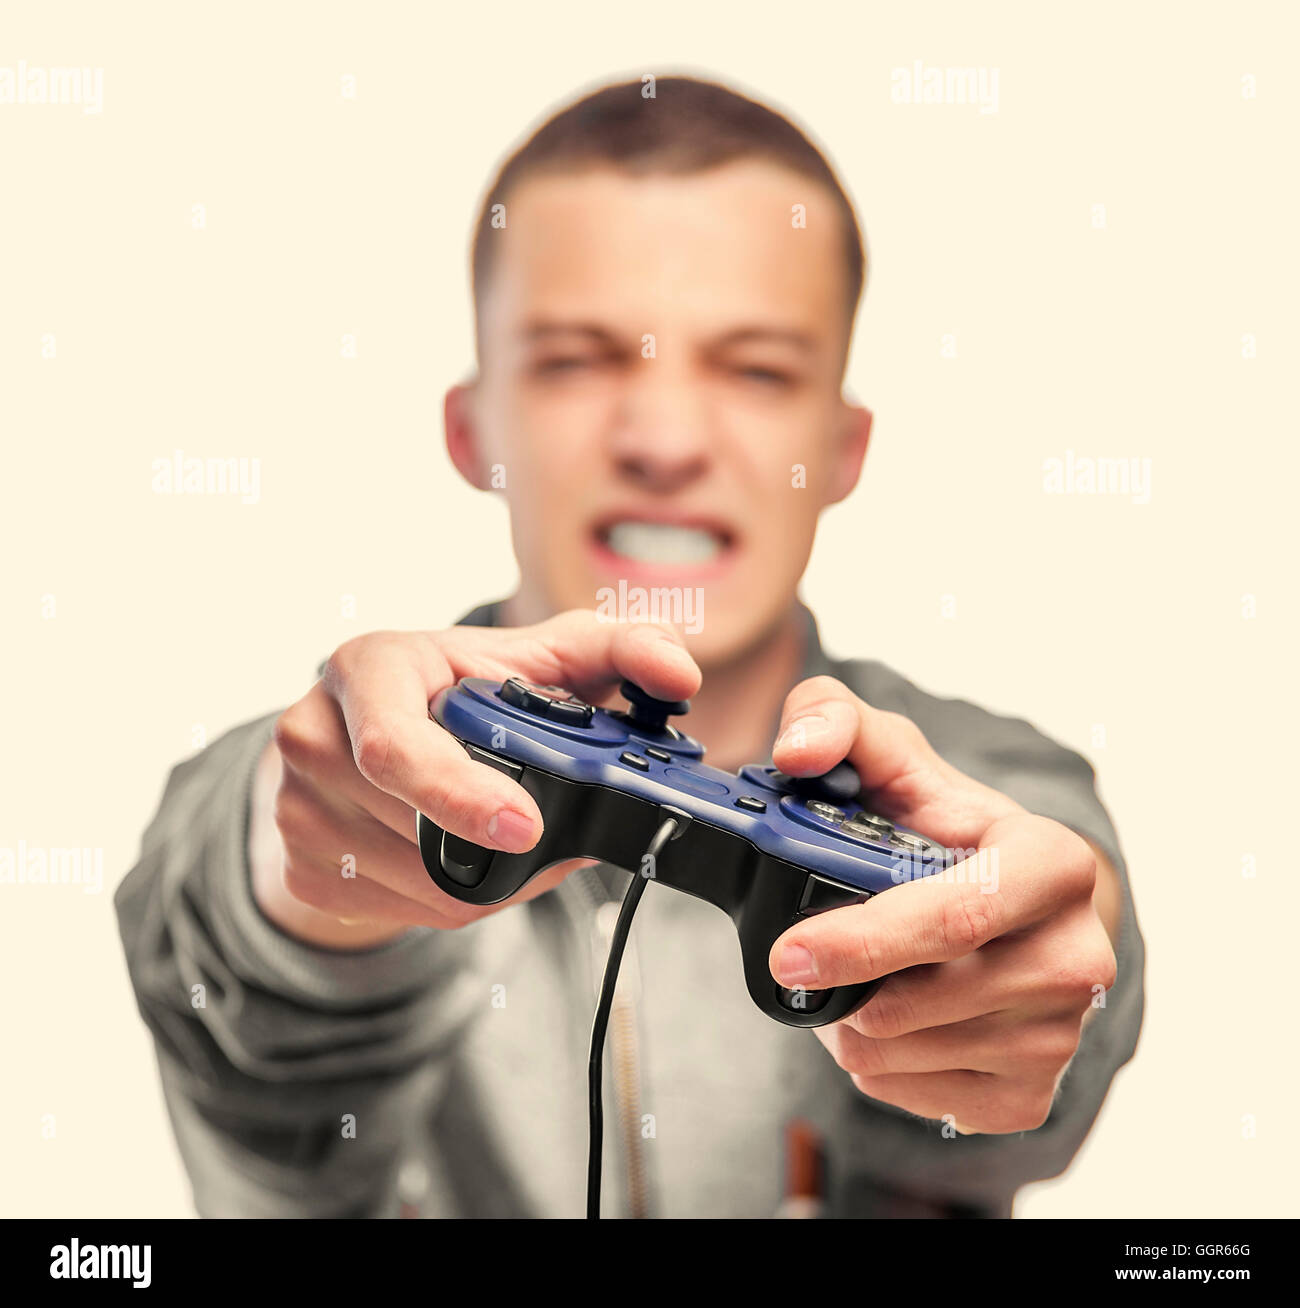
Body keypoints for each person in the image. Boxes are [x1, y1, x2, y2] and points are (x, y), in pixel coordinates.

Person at [115, 75, 1144, 1219]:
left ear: (843, 450)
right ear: (473, 432)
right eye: (575, 359)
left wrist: (1028, 965)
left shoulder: (994, 780)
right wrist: (307, 874)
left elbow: (1060, 896)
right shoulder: (332, 766)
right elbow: (227, 922)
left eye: (756, 369)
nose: (662, 441)